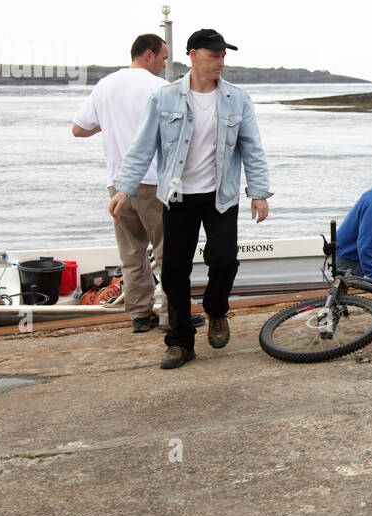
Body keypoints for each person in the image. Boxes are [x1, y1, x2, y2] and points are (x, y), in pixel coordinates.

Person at [110, 28, 272, 369]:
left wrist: (258, 193)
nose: (221, 63)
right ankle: (180, 342)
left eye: (224, 56)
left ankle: (215, 310)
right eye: (214, 55)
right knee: (174, 272)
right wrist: (124, 189)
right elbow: (141, 149)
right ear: (193, 55)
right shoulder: (164, 98)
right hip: (178, 196)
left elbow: (252, 149)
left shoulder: (238, 100)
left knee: (224, 260)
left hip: (220, 196)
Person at [71, 35, 170, 333]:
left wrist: (111, 122)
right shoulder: (161, 88)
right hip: (153, 181)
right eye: (164, 59)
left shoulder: (105, 85)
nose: (165, 65)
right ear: (149, 55)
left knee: (131, 252)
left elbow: (79, 129)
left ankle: (140, 315)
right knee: (168, 251)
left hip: (117, 185)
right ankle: (170, 315)